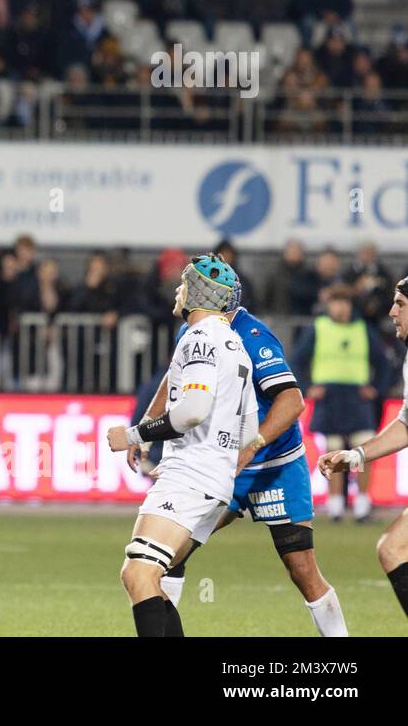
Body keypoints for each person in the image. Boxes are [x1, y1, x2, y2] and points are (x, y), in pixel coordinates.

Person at [128, 263, 349, 636]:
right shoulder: (193, 329)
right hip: (222, 467)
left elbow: (292, 401)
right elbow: (175, 376)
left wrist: (252, 446)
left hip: (274, 464)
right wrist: (149, 426)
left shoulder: (254, 334)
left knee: (302, 569)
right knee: (167, 559)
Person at [106, 255, 257, 637]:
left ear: (199, 292)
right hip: (213, 480)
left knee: (139, 573)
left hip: (192, 477)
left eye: (184, 283)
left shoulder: (200, 337)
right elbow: (250, 429)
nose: (178, 290)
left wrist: (135, 435)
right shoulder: (236, 346)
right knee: (151, 576)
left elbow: (191, 411)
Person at [318, 275, 408, 620]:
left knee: (394, 547)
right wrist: (357, 455)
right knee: (393, 548)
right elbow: (406, 423)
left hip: (353, 401)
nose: (391, 312)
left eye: (399, 304)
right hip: (336, 402)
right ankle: (343, 505)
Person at [294, 284, 392, 522]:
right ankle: (336, 503)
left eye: (344, 302)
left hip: (357, 396)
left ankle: (361, 502)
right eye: (336, 302)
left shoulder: (363, 329)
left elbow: (385, 363)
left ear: (350, 305)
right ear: (329, 305)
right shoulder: (318, 328)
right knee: (334, 449)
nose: (340, 307)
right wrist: (307, 388)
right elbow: (297, 360)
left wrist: (377, 389)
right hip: (329, 396)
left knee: (362, 449)